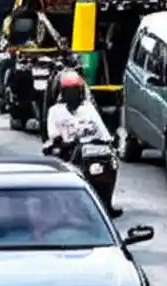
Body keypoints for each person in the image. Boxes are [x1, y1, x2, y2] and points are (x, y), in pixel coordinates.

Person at [45, 70, 122, 217]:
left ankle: (107, 203)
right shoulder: (55, 111)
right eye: (70, 91)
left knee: (111, 163)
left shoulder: (88, 109)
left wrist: (110, 141)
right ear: (63, 92)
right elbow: (52, 135)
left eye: (76, 91)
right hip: (68, 151)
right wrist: (63, 142)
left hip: (91, 149)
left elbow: (102, 131)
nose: (73, 95)